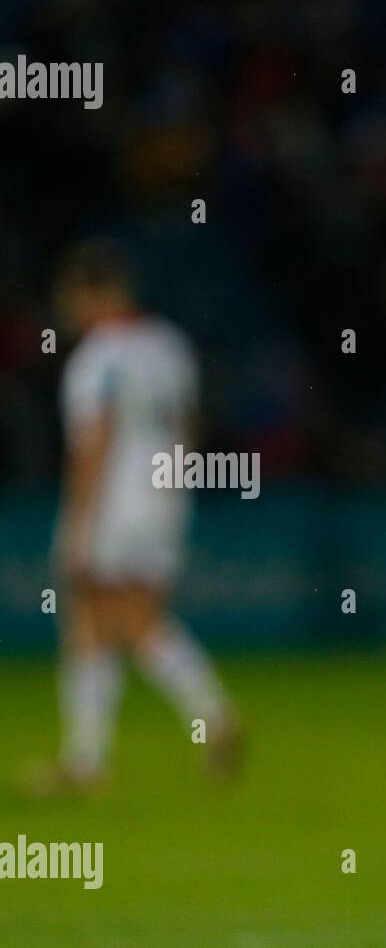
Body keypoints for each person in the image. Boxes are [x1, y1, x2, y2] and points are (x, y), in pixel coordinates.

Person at [23, 241, 241, 795]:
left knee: (101, 617)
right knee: (125, 619)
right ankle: (95, 757)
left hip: (115, 501)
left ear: (92, 292)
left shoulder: (97, 358)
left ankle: (99, 757)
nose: (67, 310)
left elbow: (93, 444)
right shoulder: (168, 343)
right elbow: (190, 424)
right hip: (166, 494)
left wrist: (76, 523)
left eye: (71, 296)